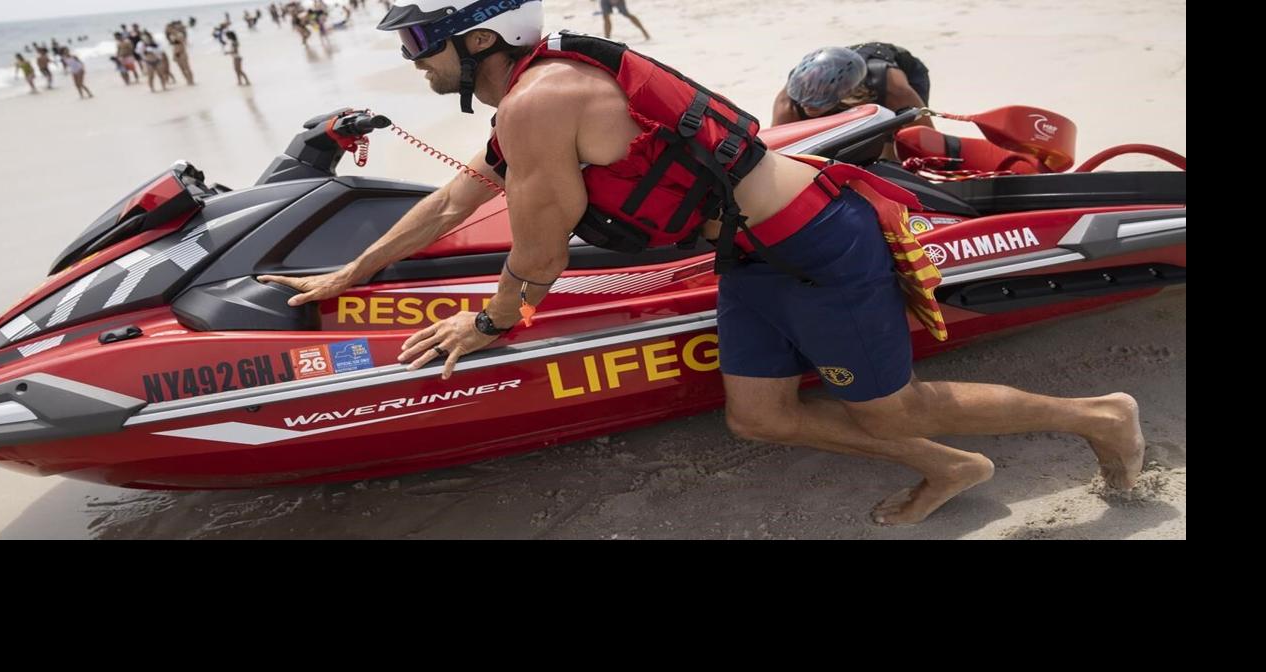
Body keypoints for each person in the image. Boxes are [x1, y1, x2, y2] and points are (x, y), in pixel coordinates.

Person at [258, 0, 1146, 526]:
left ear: (481, 39)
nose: (412, 60)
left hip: (812, 240)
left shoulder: (542, 101)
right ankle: (954, 466)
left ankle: (1101, 417)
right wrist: (351, 274)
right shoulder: (536, 93)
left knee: (890, 405)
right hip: (749, 252)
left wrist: (488, 323)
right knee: (759, 417)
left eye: (422, 40)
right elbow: (456, 200)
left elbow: (538, 252)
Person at [772, 44, 932, 127]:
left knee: (896, 140)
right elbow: (776, 152)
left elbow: (925, 135)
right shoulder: (790, 101)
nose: (806, 104)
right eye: (804, 92)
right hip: (845, 81)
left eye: (821, 95)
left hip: (901, 72)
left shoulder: (893, 87)